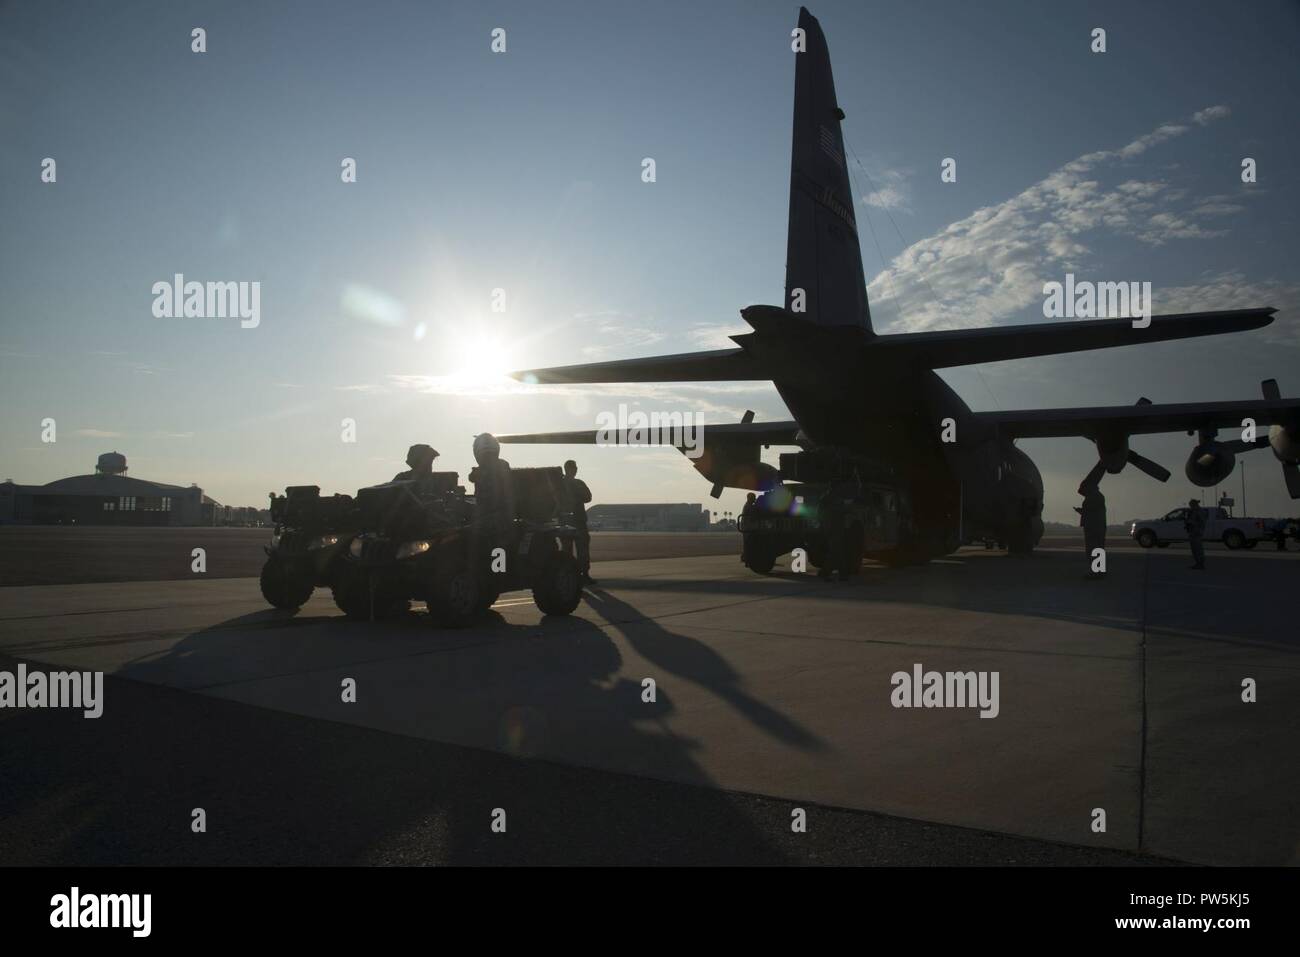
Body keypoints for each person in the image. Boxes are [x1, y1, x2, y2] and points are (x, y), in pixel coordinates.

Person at [469, 433, 515, 559]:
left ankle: (499, 572)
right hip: (491, 517)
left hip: (497, 518)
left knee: (497, 550)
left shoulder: (497, 467)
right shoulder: (501, 465)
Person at [562, 459, 595, 584]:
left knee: (569, 550)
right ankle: (582, 574)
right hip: (576, 521)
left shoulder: (560, 483)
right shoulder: (577, 483)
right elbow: (588, 497)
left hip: (568, 521)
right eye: (574, 468)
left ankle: (572, 575)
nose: (575, 470)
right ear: (571, 469)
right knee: (580, 550)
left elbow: (588, 497)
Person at [1077, 483, 1107, 579]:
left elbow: (1090, 511)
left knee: (1093, 548)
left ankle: (1095, 572)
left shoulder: (1093, 497)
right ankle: (1099, 571)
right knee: (1098, 548)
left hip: (1093, 526)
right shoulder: (1098, 496)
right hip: (1097, 525)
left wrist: (1082, 511)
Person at [1185, 498, 1207, 570]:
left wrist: (1193, 524)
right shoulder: (1193, 511)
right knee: (1194, 549)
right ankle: (1197, 563)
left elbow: (1202, 522)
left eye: (1191, 505)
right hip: (1192, 532)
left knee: (1198, 549)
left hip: (1197, 532)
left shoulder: (1199, 511)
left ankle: (1200, 564)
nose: (1190, 506)